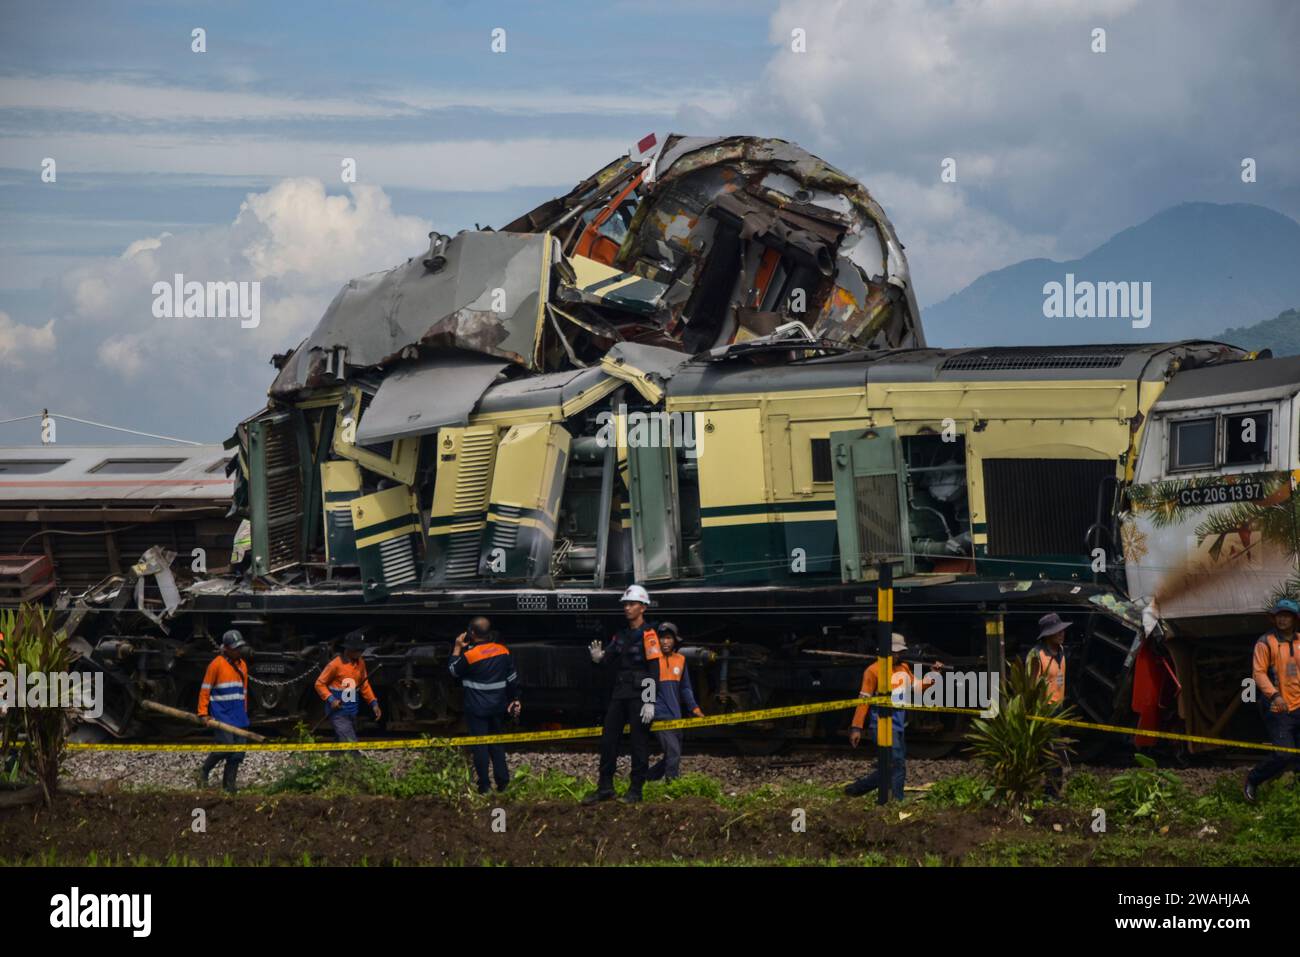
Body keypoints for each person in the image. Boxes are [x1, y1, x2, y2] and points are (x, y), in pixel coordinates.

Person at [583, 584, 662, 804]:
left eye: (632, 604)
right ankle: (605, 787)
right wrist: (598, 658)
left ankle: (636, 790)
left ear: (643, 607)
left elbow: (654, 670)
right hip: (620, 693)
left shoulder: (649, 635)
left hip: (638, 694)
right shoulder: (620, 636)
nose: (627, 608)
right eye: (625, 604)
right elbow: (607, 660)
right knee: (609, 740)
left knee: (639, 743)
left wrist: (649, 700)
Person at [844, 633, 936, 800]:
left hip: (899, 724)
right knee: (897, 764)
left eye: (899, 652)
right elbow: (864, 700)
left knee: (891, 765)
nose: (898, 655)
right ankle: (897, 800)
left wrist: (933, 676)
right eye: (895, 652)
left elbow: (917, 686)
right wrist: (856, 727)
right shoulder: (873, 671)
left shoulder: (904, 668)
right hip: (881, 724)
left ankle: (856, 789)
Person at [449, 617, 521, 794]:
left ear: (471, 633)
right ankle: (503, 783)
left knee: (480, 746)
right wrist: (515, 699)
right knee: (496, 744)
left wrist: (457, 647)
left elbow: (452, 671)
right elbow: (512, 679)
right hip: (498, 706)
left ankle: (485, 786)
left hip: (476, 708)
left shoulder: (470, 655)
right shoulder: (502, 651)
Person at [1244, 598, 1300, 803]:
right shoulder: (1265, 642)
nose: (1283, 619)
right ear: (1274, 618)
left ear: (1294, 619)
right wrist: (1275, 696)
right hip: (1278, 707)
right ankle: (1253, 779)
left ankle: (1293, 794)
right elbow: (1258, 673)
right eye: (1280, 615)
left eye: (1287, 616)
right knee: (1284, 754)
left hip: (1299, 704)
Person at [646, 622, 703, 782]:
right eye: (662, 638)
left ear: (674, 641)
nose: (665, 642)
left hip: (676, 715)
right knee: (674, 753)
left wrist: (694, 708)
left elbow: (685, 688)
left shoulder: (681, 660)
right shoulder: (652, 660)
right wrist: (648, 704)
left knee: (673, 754)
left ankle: (647, 778)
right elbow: (647, 682)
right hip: (660, 714)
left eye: (668, 638)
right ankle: (673, 785)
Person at [196, 630, 251, 793]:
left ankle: (229, 787)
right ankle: (204, 771)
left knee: (238, 754)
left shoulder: (242, 665)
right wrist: (203, 713)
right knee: (226, 747)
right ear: (226, 648)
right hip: (222, 715)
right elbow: (205, 690)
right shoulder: (216, 664)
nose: (238, 650)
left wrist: (244, 712)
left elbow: (244, 691)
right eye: (235, 648)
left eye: (239, 647)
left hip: (239, 716)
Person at [1027, 611, 1070, 797]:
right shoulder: (1037, 656)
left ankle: (1051, 792)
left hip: (1057, 711)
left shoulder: (1061, 651)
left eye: (1062, 630)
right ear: (1047, 635)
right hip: (1043, 713)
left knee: (1055, 755)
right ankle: (1050, 795)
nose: (1061, 634)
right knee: (1053, 757)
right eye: (1057, 631)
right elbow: (1030, 688)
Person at [315, 629, 381, 744]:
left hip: (352, 710)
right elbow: (319, 684)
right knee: (350, 741)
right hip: (338, 711)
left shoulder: (360, 663)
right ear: (349, 649)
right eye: (358, 650)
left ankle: (336, 758)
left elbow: (364, 684)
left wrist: (373, 703)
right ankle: (356, 760)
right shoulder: (335, 664)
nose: (360, 652)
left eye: (361, 649)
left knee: (341, 741)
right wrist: (331, 699)